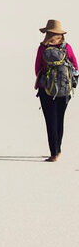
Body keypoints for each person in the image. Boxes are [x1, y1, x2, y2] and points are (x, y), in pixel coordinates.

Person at [34, 19, 78, 162]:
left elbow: (37, 70)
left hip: (46, 90)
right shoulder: (67, 47)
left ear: (47, 33)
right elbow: (76, 67)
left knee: (50, 121)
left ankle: (54, 153)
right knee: (59, 119)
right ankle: (58, 150)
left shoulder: (42, 48)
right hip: (65, 91)